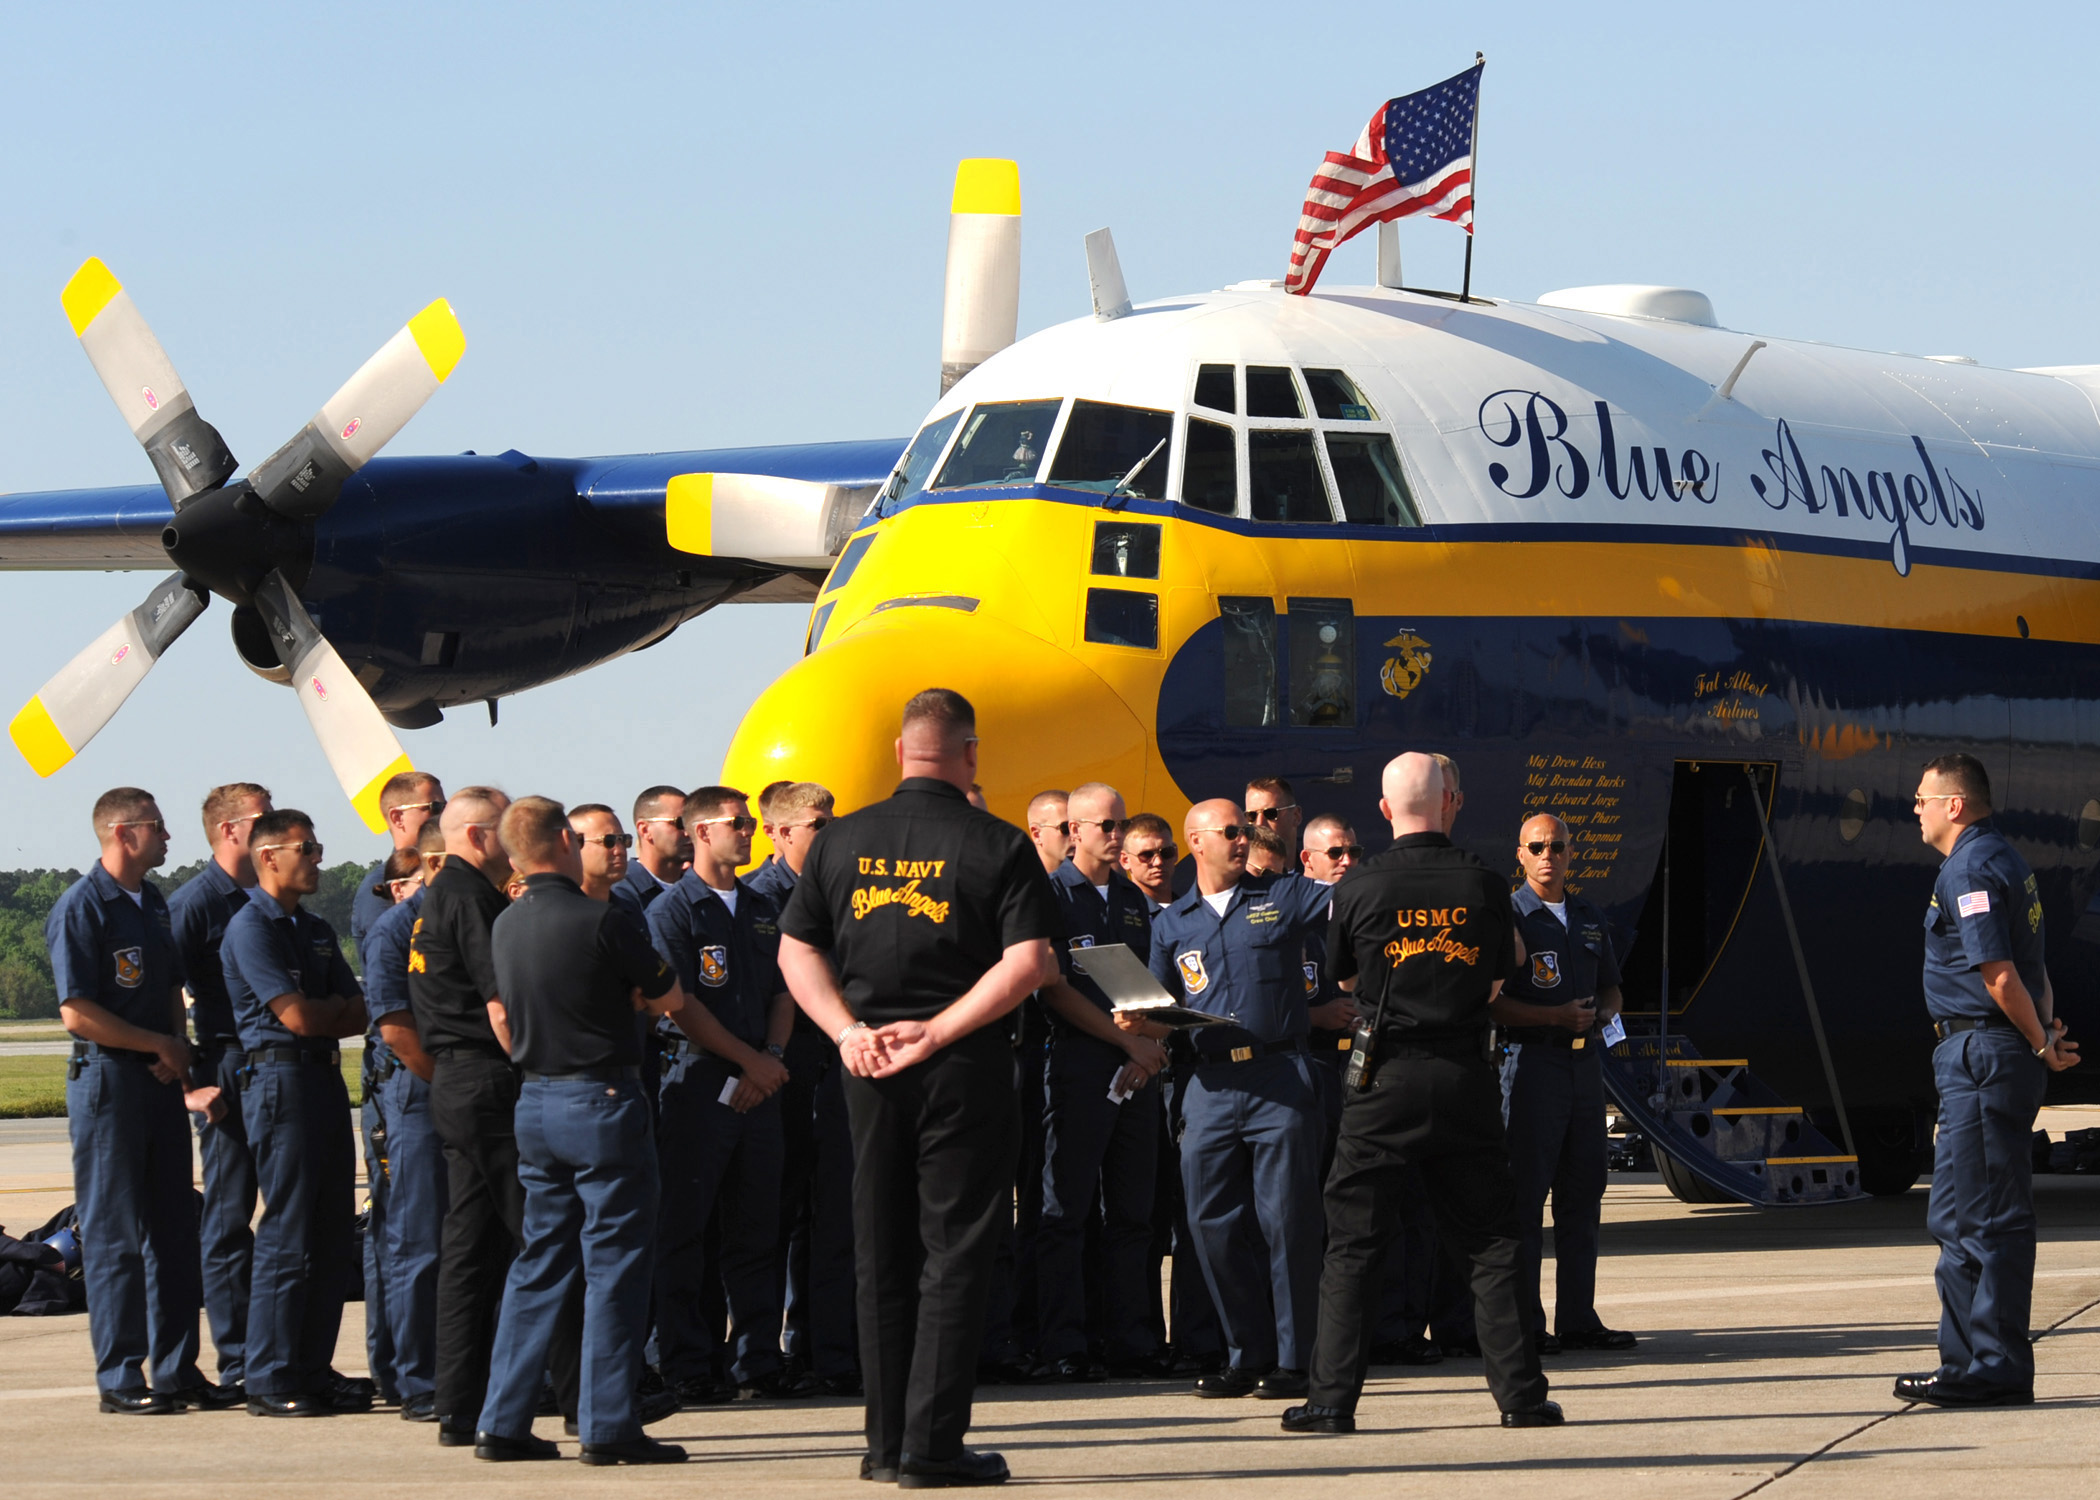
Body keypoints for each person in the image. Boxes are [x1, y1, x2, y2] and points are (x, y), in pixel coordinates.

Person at [778, 688, 1061, 1488]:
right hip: (960, 1066)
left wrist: (845, 1033)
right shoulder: (997, 844)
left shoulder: (840, 844)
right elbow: (1028, 963)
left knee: (880, 1251)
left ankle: (883, 1443)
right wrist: (937, 1032)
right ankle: (931, 1448)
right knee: (956, 1252)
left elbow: (797, 953)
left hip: (867, 1068)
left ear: (901, 753)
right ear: (970, 754)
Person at [1284, 753, 1557, 1436]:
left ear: (1384, 810)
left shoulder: (1359, 887)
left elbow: (1344, 982)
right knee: (1492, 1241)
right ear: (1449, 803)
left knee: (1354, 1243)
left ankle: (1330, 1403)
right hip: (1465, 1074)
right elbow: (1500, 979)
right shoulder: (1486, 884)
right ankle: (1521, 1397)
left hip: (1383, 1077)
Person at [472, 797, 691, 1466]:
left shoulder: (505, 925)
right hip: (600, 1094)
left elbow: (503, 1013)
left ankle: (502, 1419)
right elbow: (671, 996)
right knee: (615, 1263)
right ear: (564, 843)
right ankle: (606, 1423)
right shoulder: (604, 920)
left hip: (535, 1098)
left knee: (539, 1261)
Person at [1897, 752, 2080, 1408]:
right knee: (1953, 1215)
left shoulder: (1970, 867)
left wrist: (2037, 1040)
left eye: (1923, 797)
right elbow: (2037, 969)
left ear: (1956, 804)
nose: (1914, 807)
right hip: (1982, 1054)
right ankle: (1966, 1362)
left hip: (1981, 1054)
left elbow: (2000, 973)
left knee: (1986, 1218)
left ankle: (1997, 1363)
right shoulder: (2003, 859)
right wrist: (2047, 1031)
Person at [408, 786, 582, 1445]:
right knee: (544, 1239)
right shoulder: (472, 900)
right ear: (478, 837)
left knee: (472, 1251)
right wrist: (542, 1072)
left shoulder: (439, 897)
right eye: (504, 832)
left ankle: (459, 1405)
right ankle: (585, 1396)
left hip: (456, 1083)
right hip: (490, 1080)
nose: (515, 844)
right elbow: (501, 1005)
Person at [1147, 799, 1335, 1400]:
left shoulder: (1280, 896)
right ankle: (1244, 1352)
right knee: (1210, 1224)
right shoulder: (1172, 922)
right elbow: (1157, 1011)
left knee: (1288, 1224)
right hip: (1208, 1084)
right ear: (1196, 842)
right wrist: (1135, 1024)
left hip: (1277, 1077)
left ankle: (1295, 1359)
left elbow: (1344, 890)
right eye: (1231, 832)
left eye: (1246, 830)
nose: (1243, 839)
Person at [49, 787, 220, 1413]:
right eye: (158, 827)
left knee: (174, 1230)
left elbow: (172, 988)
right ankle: (121, 1378)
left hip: (158, 1081)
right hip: (110, 1084)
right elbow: (77, 1012)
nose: (169, 838)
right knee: (114, 1234)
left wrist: (178, 1053)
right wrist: (157, 1045)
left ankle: (177, 1371)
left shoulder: (151, 902)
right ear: (124, 834)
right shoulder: (82, 908)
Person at [645, 785, 800, 1402]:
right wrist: (748, 1064)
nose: (750, 833)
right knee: (686, 1232)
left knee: (758, 1230)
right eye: (738, 823)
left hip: (761, 1087)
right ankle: (688, 1361)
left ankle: (758, 1359)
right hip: (701, 1085)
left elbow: (784, 991)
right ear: (701, 831)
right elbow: (680, 1005)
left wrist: (772, 1062)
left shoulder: (764, 904)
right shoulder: (673, 911)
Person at [222, 808, 370, 1416]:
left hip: (324, 1077)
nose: (316, 858)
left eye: (316, 846)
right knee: (288, 1231)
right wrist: (326, 1007)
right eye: (305, 848)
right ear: (268, 857)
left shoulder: (310, 926)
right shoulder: (250, 928)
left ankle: (312, 1366)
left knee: (332, 1229)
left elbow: (358, 1013)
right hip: (279, 1079)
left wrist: (327, 1007)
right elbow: (300, 1019)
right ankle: (271, 1376)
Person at [1034, 782, 1171, 1381]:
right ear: (1074, 832)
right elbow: (1054, 987)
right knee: (1067, 1210)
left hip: (1136, 1069)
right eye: (1104, 826)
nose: (1116, 836)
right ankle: (1064, 1342)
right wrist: (1126, 1043)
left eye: (1119, 825)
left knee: (1134, 1212)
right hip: (1080, 1065)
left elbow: (1155, 984)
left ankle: (1132, 1340)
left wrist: (1149, 1047)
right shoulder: (1051, 895)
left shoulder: (1133, 900)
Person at [1495, 813, 1636, 1355]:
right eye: (1537, 846)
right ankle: (1527, 1324)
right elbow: (1493, 1002)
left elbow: (1614, 990)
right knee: (1527, 1197)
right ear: (1521, 854)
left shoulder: (1587, 915)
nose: (1548, 855)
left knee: (1584, 1195)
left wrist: (1601, 1013)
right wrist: (1555, 1017)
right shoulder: (1509, 915)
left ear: (1570, 852)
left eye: (1557, 846)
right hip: (1533, 1066)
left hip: (1585, 1068)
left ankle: (1578, 1318)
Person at [750, 783, 860, 1396]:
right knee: (775, 1217)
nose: (830, 832)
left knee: (836, 1217)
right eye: (817, 824)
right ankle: (770, 1355)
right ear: (780, 832)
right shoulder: (759, 898)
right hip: (783, 1076)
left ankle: (831, 1349)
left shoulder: (842, 893)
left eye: (833, 821)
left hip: (837, 1073)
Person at [167, 780, 272, 1401]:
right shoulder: (195, 904)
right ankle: (234, 1356)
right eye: (260, 819)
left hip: (273, 1065)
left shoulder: (265, 895)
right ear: (230, 830)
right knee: (230, 1215)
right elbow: (163, 997)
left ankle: (278, 1350)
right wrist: (189, 1085)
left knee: (287, 1213)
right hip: (226, 1064)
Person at [363, 848, 445, 1421]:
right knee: (418, 1241)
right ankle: (419, 1381)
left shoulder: (474, 916)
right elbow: (396, 1029)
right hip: (419, 1094)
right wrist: (452, 1084)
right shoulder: (396, 928)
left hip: (472, 1093)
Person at [354, 772, 446, 946]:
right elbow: (389, 948)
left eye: (445, 807)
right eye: (434, 807)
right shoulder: (378, 884)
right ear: (398, 818)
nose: (443, 816)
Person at [625, 785, 691, 911]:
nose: (688, 832)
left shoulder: (699, 890)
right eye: (680, 823)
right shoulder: (621, 894)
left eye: (691, 823)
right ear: (645, 830)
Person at [1119, 815, 1177, 913]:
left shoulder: (1196, 915)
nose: (1158, 862)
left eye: (1166, 852)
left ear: (1175, 853)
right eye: (1146, 855)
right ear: (1125, 860)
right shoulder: (1117, 917)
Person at [1244, 776, 1302, 856]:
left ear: (1296, 816)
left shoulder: (1315, 868)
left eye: (1270, 813)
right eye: (1252, 815)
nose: (1259, 823)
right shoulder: (1236, 868)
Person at [1026, 790, 1071, 873]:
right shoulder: (1019, 883)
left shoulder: (1095, 880)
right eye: (1065, 828)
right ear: (1037, 835)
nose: (1075, 835)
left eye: (1077, 827)